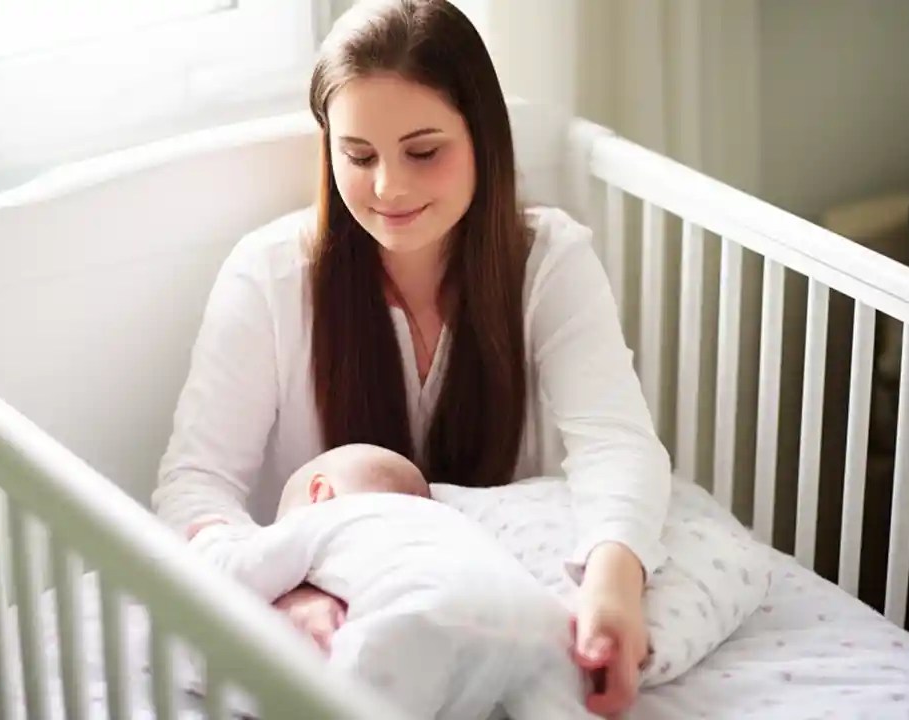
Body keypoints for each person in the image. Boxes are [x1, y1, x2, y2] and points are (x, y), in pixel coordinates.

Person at [153, 0, 671, 715]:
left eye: (423, 151)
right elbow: (195, 485)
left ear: (482, 139)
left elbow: (616, 444)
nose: (389, 187)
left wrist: (613, 582)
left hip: (494, 611)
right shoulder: (269, 276)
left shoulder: (549, 261)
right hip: (353, 614)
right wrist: (293, 591)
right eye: (359, 156)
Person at [187, 444, 595, 720]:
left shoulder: (322, 516)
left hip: (424, 607)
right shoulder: (452, 524)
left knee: (345, 697)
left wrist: (211, 536)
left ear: (319, 491)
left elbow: (238, 573)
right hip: (538, 616)